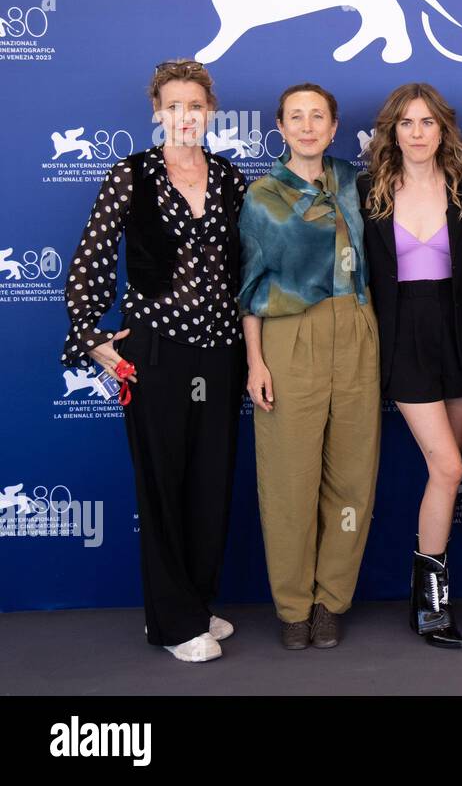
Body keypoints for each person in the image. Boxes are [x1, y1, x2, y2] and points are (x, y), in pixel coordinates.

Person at [61, 58, 246, 663]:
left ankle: (194, 604)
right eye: (174, 106)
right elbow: (90, 258)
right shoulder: (130, 174)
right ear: (157, 113)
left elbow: (248, 267)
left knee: (209, 485)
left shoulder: (229, 177)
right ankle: (170, 624)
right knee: (162, 487)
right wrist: (93, 339)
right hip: (156, 354)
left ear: (209, 112)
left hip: (220, 354)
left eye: (195, 106)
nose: (185, 116)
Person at [239, 83, 381, 651]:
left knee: (352, 479)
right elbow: (250, 285)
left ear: (333, 126)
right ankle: (293, 605)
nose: (306, 126)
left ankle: (331, 601)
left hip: (355, 327)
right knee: (288, 480)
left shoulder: (353, 181)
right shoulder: (261, 195)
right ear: (279, 127)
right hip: (287, 335)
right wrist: (255, 362)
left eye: (317, 116)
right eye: (295, 117)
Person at [358, 83, 462, 650]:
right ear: (392, 132)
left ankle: (426, 601)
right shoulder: (368, 192)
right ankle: (432, 606)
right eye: (405, 123)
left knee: (445, 472)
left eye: (427, 122)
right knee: (450, 468)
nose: (416, 132)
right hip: (402, 335)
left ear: (442, 130)